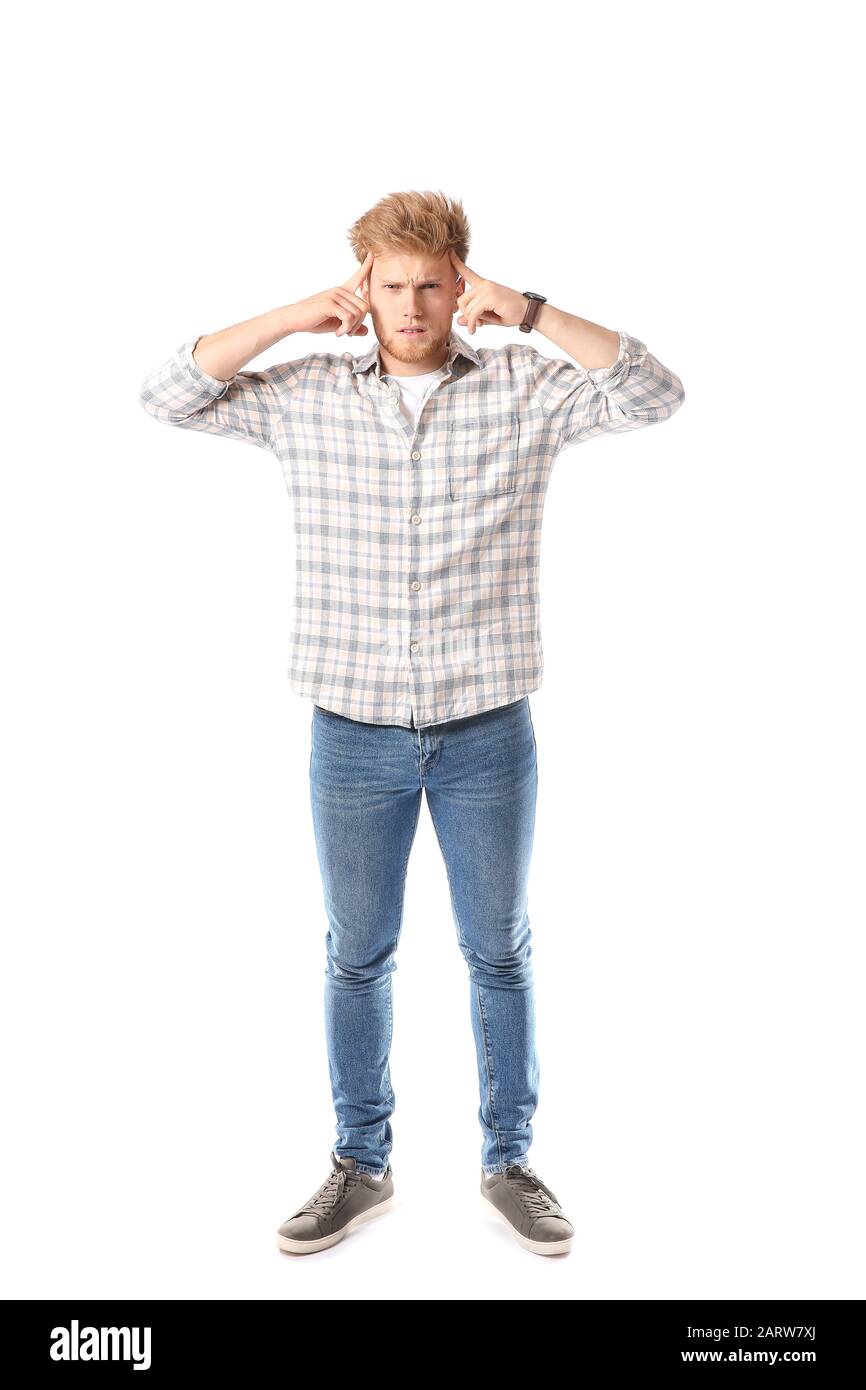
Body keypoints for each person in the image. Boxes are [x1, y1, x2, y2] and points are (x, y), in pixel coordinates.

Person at [139, 189, 685, 1258]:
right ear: (366, 286)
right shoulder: (306, 396)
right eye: (391, 284)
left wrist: (524, 310)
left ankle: (508, 1161)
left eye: (431, 281)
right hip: (352, 734)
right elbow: (165, 394)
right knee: (356, 955)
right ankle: (359, 1162)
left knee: (498, 951)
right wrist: (297, 313)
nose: (412, 303)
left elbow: (655, 392)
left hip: (486, 728)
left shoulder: (524, 388)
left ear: (458, 280)